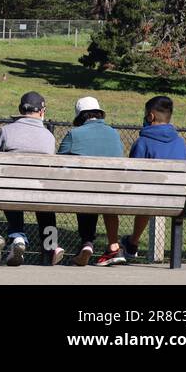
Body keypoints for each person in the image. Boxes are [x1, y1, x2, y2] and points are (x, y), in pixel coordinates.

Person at [0, 92, 64, 266]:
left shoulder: (6, 131)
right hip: (40, 194)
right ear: (42, 111)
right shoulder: (49, 137)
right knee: (45, 205)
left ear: (20, 109)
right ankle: (50, 245)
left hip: (9, 193)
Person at [59, 95, 126, 266]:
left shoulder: (74, 134)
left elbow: (58, 165)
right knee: (102, 193)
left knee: (84, 190)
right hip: (113, 191)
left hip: (84, 192)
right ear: (99, 113)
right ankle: (113, 245)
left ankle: (87, 242)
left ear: (80, 116)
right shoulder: (114, 134)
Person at [121, 96, 186, 261]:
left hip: (147, 198)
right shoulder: (180, 143)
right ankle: (133, 243)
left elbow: (132, 176)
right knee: (150, 198)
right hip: (177, 200)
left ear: (150, 116)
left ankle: (132, 243)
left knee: (147, 199)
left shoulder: (143, 142)